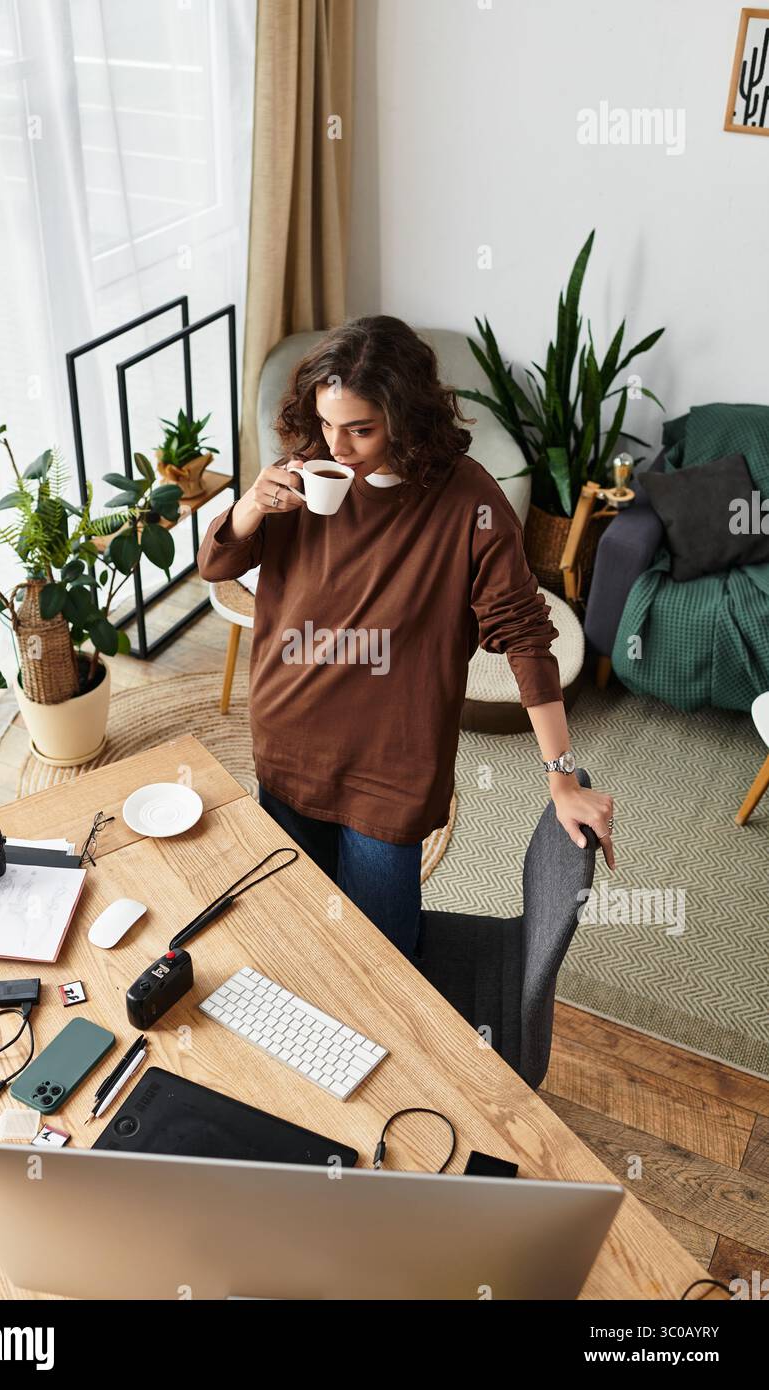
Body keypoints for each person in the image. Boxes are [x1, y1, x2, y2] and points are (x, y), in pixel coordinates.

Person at [198, 316, 615, 959]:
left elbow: (526, 632)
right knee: (295, 934)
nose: (336, 446)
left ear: (406, 416)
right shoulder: (301, 475)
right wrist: (251, 503)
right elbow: (217, 567)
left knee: (382, 959)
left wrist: (561, 777)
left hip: (391, 764)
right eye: (327, 423)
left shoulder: (466, 499)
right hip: (289, 737)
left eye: (359, 429)